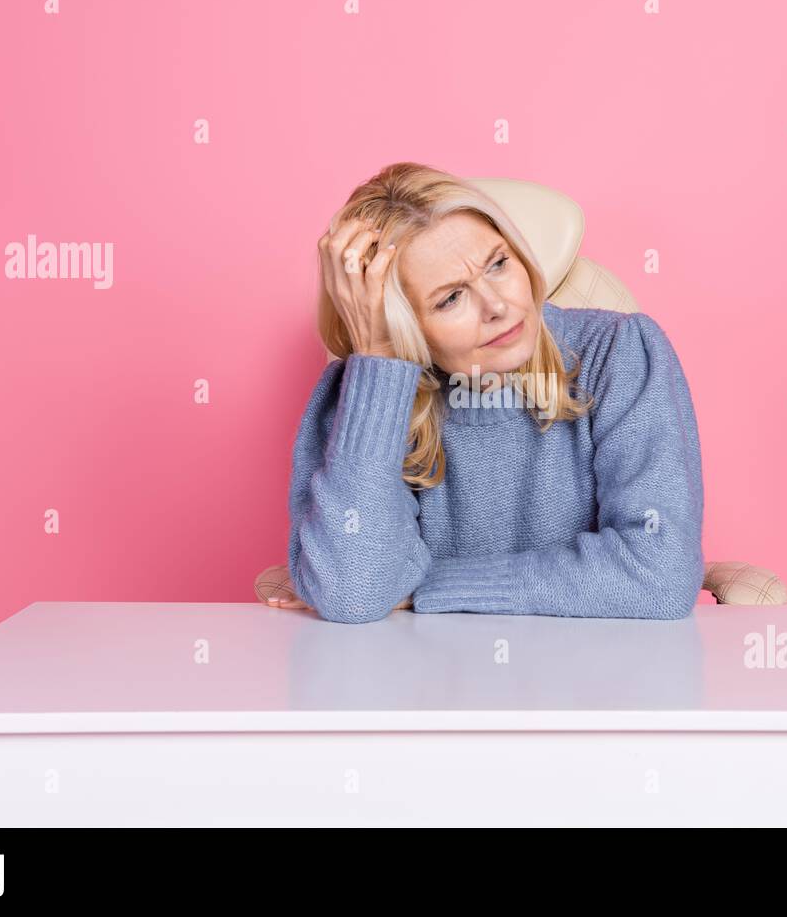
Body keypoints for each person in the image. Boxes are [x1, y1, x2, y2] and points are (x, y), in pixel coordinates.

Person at [281, 162, 704, 623]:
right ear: (404, 326)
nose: (498, 306)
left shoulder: (619, 354)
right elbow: (354, 593)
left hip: (593, 681)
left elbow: (659, 574)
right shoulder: (360, 398)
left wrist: (428, 584)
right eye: (450, 298)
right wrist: (381, 362)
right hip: (425, 684)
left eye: (499, 264)